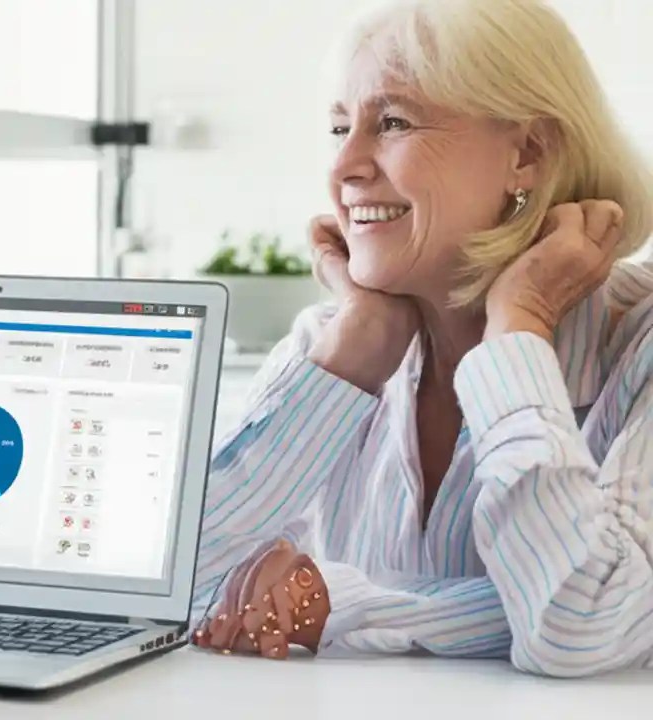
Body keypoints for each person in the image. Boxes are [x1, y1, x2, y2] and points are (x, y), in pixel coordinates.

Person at [191, 0, 653, 677]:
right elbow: (174, 586)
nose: (344, 166)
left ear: (526, 153)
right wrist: (355, 350)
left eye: (393, 122)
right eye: (340, 127)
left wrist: (519, 326)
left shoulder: (638, 347)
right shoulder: (336, 342)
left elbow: (580, 624)